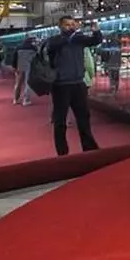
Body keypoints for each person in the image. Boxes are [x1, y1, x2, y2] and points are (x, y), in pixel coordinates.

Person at [45, 16, 102, 156]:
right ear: (60, 26)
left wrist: (96, 31)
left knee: (84, 118)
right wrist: (74, 33)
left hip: (78, 84)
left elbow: (95, 41)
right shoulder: (54, 40)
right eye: (67, 25)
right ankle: (62, 152)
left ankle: (90, 149)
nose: (70, 27)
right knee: (60, 121)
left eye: (72, 24)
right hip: (61, 85)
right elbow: (58, 43)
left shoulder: (78, 40)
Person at [13, 36, 36, 106]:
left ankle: (16, 99)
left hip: (20, 65)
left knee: (18, 83)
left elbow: (14, 57)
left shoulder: (18, 47)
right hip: (29, 65)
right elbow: (36, 58)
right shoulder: (34, 48)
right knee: (28, 83)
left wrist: (14, 67)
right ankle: (26, 100)